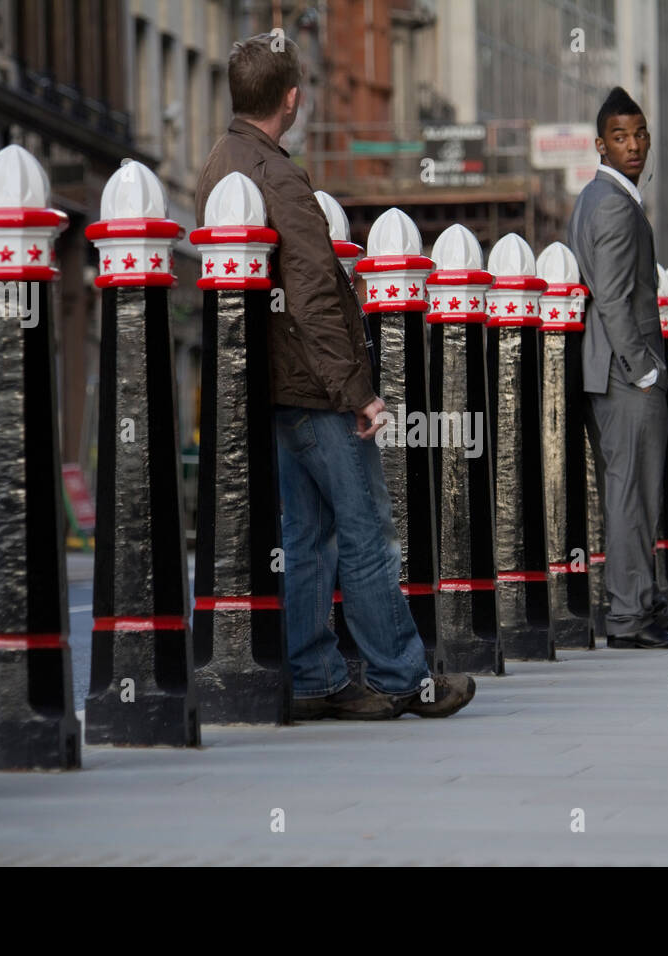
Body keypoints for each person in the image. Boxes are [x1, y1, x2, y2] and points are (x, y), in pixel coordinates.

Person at [194, 33, 475, 718]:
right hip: (317, 390)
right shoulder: (279, 176)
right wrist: (358, 392)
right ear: (291, 98)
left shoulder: (216, 168)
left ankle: (316, 675)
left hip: (267, 390)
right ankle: (404, 675)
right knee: (367, 530)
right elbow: (318, 294)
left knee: (308, 535)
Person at [567, 88, 668, 650]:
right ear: (601, 144)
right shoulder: (612, 204)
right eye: (620, 137)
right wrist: (644, 369)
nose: (633, 145)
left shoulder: (600, 198)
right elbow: (613, 298)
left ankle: (645, 606)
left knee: (635, 494)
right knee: (631, 497)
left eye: (640, 134)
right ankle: (628, 618)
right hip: (625, 379)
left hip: (614, 375)